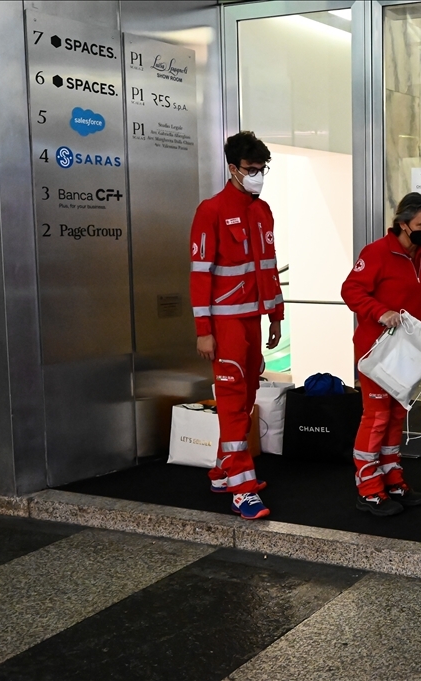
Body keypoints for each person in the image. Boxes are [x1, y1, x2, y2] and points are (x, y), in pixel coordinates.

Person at [341, 192, 421, 516]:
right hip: (376, 350)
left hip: (404, 351)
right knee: (376, 417)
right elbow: (350, 290)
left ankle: (392, 479)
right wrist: (380, 312)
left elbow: (419, 296)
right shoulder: (377, 253)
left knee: (396, 416)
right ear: (403, 224)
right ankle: (368, 489)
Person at [189, 131, 283, 520]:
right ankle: (242, 488)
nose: (257, 175)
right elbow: (199, 274)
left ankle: (222, 469)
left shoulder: (263, 212)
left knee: (244, 401)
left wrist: (276, 315)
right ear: (232, 169)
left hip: (253, 321)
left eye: (262, 169)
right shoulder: (210, 211)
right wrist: (203, 331)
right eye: (250, 169)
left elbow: (269, 267)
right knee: (230, 403)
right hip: (224, 325)